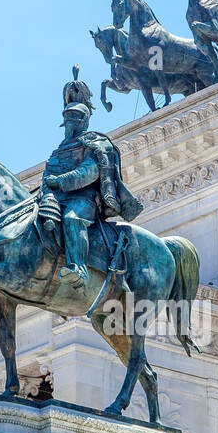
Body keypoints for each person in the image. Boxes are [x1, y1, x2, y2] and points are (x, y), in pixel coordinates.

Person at [39, 67, 143, 288]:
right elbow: (47, 174)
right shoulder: (58, 150)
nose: (69, 123)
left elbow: (89, 172)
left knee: (72, 219)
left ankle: (78, 269)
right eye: (67, 119)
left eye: (73, 119)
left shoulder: (93, 142)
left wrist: (60, 181)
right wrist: (46, 191)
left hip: (83, 200)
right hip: (56, 198)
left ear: (82, 121)